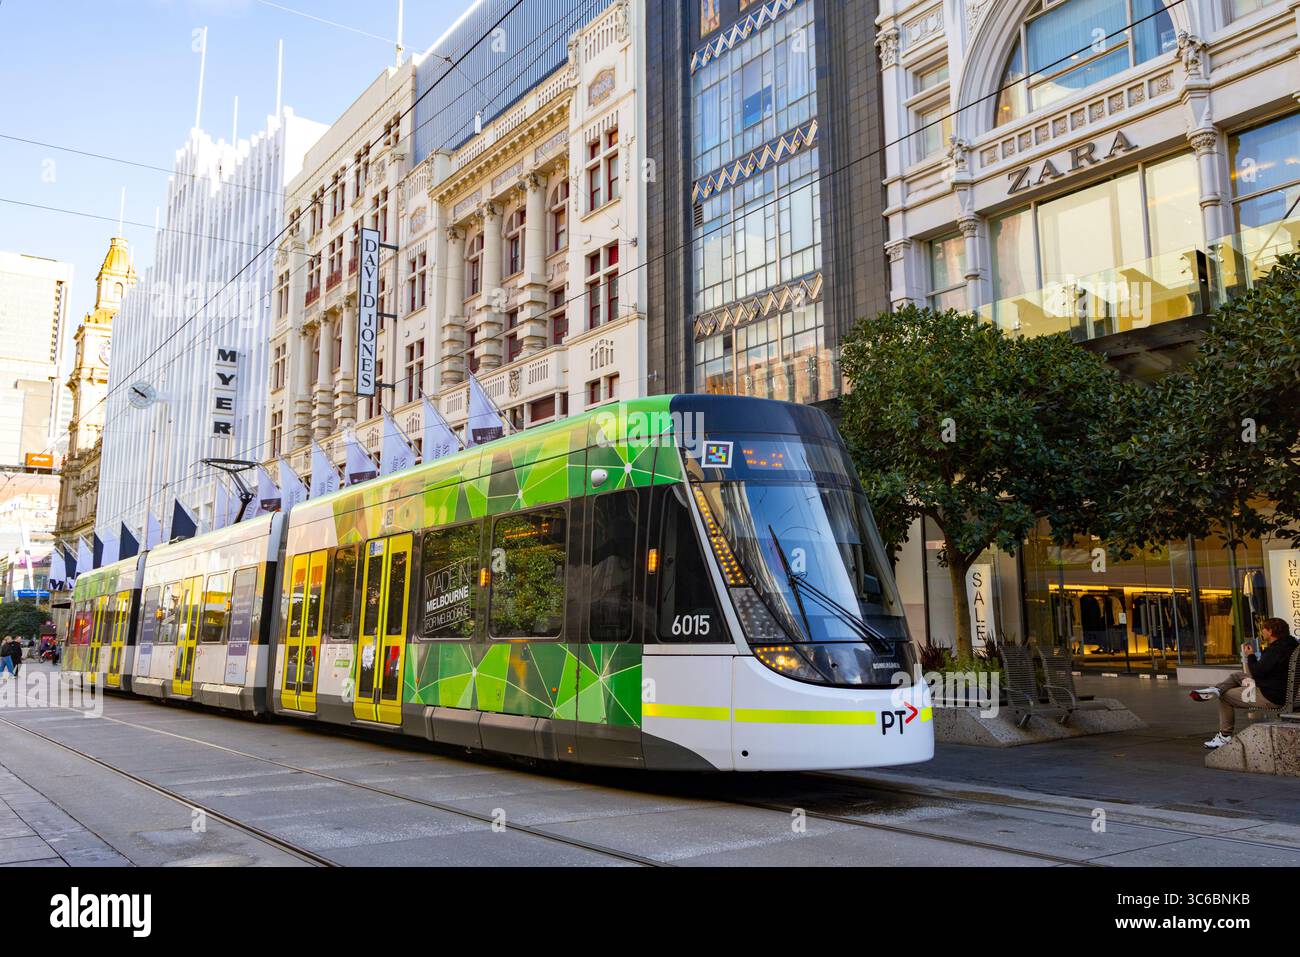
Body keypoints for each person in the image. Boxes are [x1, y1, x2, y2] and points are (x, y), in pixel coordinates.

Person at [1191, 617, 1299, 749]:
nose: (1262, 632)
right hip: (1280, 690)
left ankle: (1224, 736)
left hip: (1271, 696)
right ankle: (1216, 689)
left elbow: (1257, 672)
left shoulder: (1276, 650)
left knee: (1225, 696)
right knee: (1237, 675)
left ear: (1270, 631)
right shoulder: (1291, 646)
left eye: (1263, 629)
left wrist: (1250, 656)